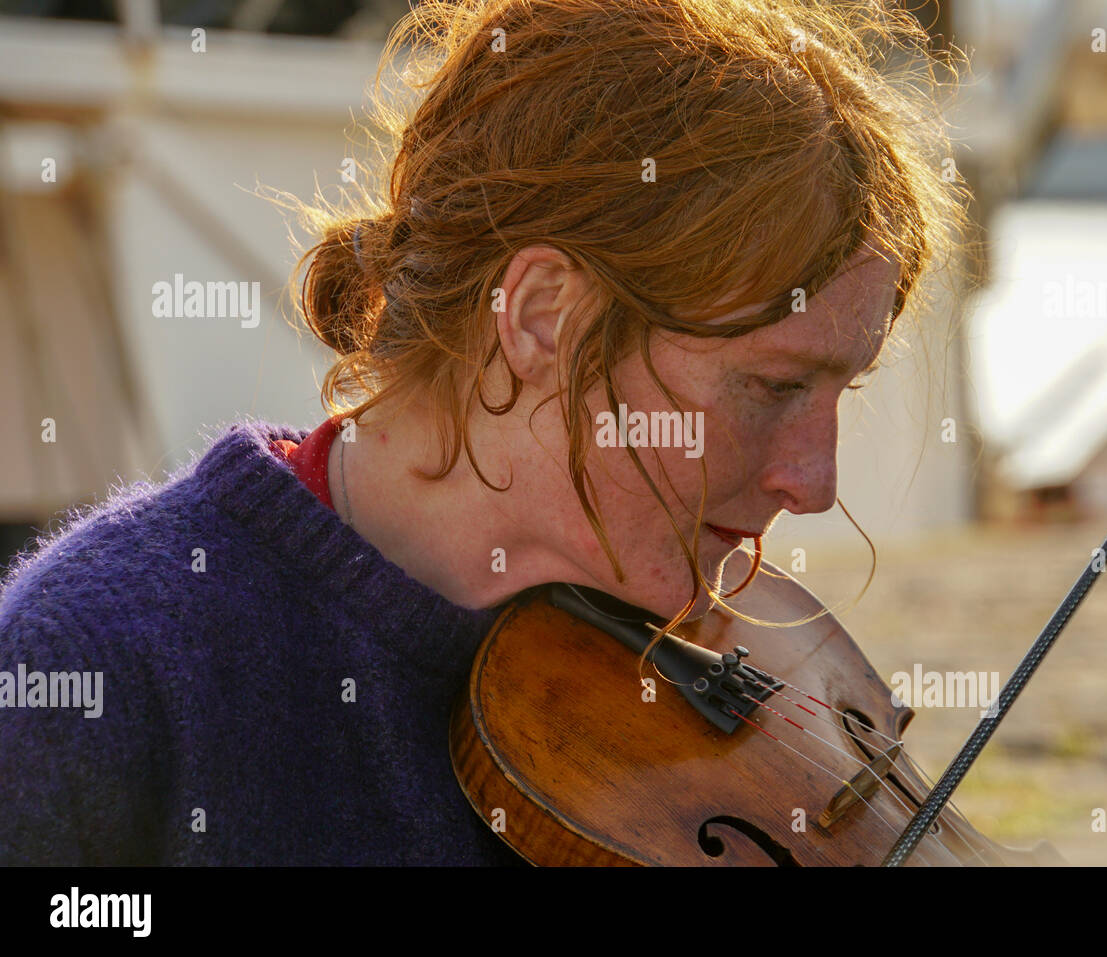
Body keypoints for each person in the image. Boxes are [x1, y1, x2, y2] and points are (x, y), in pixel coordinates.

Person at [0, 0, 966, 865]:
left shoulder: (681, 679)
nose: (815, 478)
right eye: (772, 385)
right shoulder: (97, 663)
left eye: (842, 389)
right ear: (543, 315)